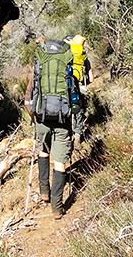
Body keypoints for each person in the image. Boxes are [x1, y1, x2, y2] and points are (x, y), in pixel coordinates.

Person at [24, 34, 93, 219]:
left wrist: (34, 114)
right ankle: (57, 207)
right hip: (63, 118)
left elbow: (31, 95)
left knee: (43, 151)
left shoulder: (40, 66)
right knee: (60, 162)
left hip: (41, 116)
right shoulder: (68, 61)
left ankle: (44, 192)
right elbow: (76, 94)